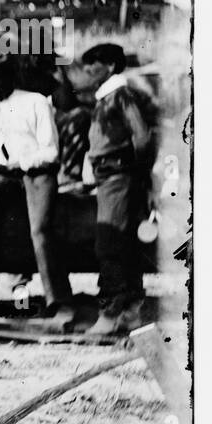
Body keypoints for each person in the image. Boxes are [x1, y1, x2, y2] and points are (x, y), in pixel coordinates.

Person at [0, 53, 74, 324]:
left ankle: (60, 302)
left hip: (37, 173)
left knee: (41, 231)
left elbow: (50, 153)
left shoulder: (35, 102)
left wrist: (18, 164)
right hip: (7, 176)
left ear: (3, 79)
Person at [78, 42, 158, 338]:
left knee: (109, 243)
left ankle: (111, 313)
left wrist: (136, 173)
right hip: (108, 177)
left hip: (119, 176)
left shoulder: (119, 95)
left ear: (110, 66)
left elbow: (142, 136)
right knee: (122, 243)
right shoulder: (105, 97)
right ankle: (130, 310)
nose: (87, 69)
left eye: (93, 63)